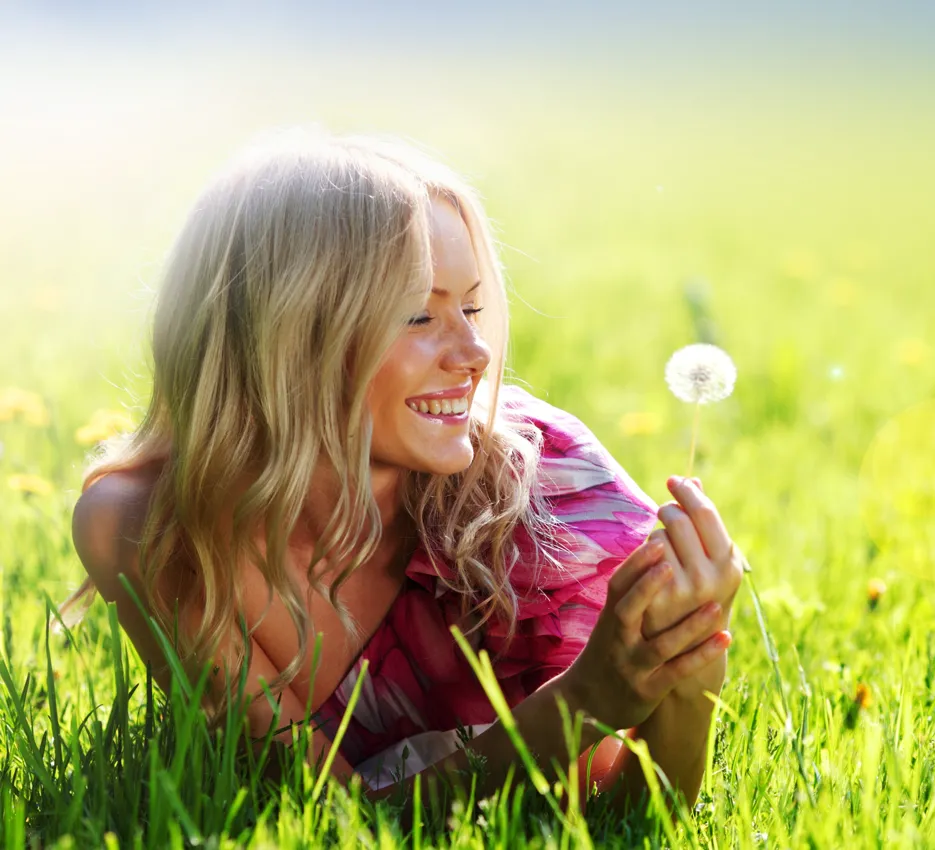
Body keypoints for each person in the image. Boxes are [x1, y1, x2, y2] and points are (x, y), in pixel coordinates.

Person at [57, 128, 746, 814]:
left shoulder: (542, 497)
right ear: (286, 337)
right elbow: (330, 818)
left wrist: (688, 676)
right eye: (420, 314)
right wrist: (584, 700)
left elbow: (623, 819)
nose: (475, 353)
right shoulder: (153, 527)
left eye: (473, 307)